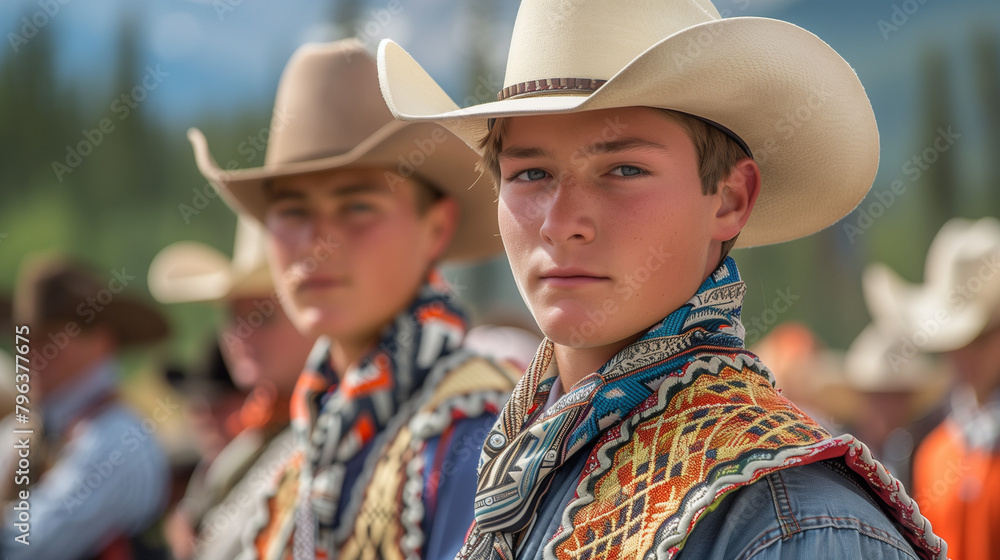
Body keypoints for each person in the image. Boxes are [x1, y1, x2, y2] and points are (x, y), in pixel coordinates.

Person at [377, 0, 946, 558]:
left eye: (624, 169)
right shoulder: (525, 472)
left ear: (729, 198)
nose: (561, 223)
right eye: (530, 173)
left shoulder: (794, 526)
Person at [186, 39, 515, 560]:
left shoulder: (478, 431)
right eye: (293, 211)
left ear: (436, 227)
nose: (318, 244)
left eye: (357, 206)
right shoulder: (314, 431)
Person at [149, 217, 317, 559]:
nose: (241, 334)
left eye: (262, 317)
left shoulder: (326, 426)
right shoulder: (260, 429)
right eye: (232, 317)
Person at [0, 255, 170, 560]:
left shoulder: (117, 439)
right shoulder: (24, 430)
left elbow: (25, 545)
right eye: (24, 339)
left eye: (48, 338)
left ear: (101, 341)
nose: (30, 353)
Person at [864, 216, 1000, 560]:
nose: (962, 355)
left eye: (979, 338)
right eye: (956, 341)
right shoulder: (931, 453)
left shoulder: (931, 450)